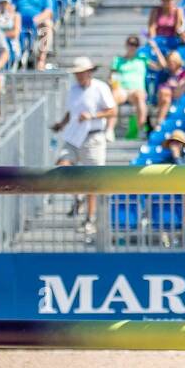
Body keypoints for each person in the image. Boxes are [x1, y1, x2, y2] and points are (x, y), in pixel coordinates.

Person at [52, 56, 117, 237]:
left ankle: (89, 219)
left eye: (81, 73)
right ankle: (78, 195)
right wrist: (61, 124)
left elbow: (112, 110)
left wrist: (93, 115)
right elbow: (70, 112)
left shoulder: (100, 88)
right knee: (62, 166)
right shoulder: (72, 90)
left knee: (92, 181)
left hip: (93, 137)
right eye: (77, 74)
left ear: (89, 72)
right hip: (73, 135)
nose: (79, 76)